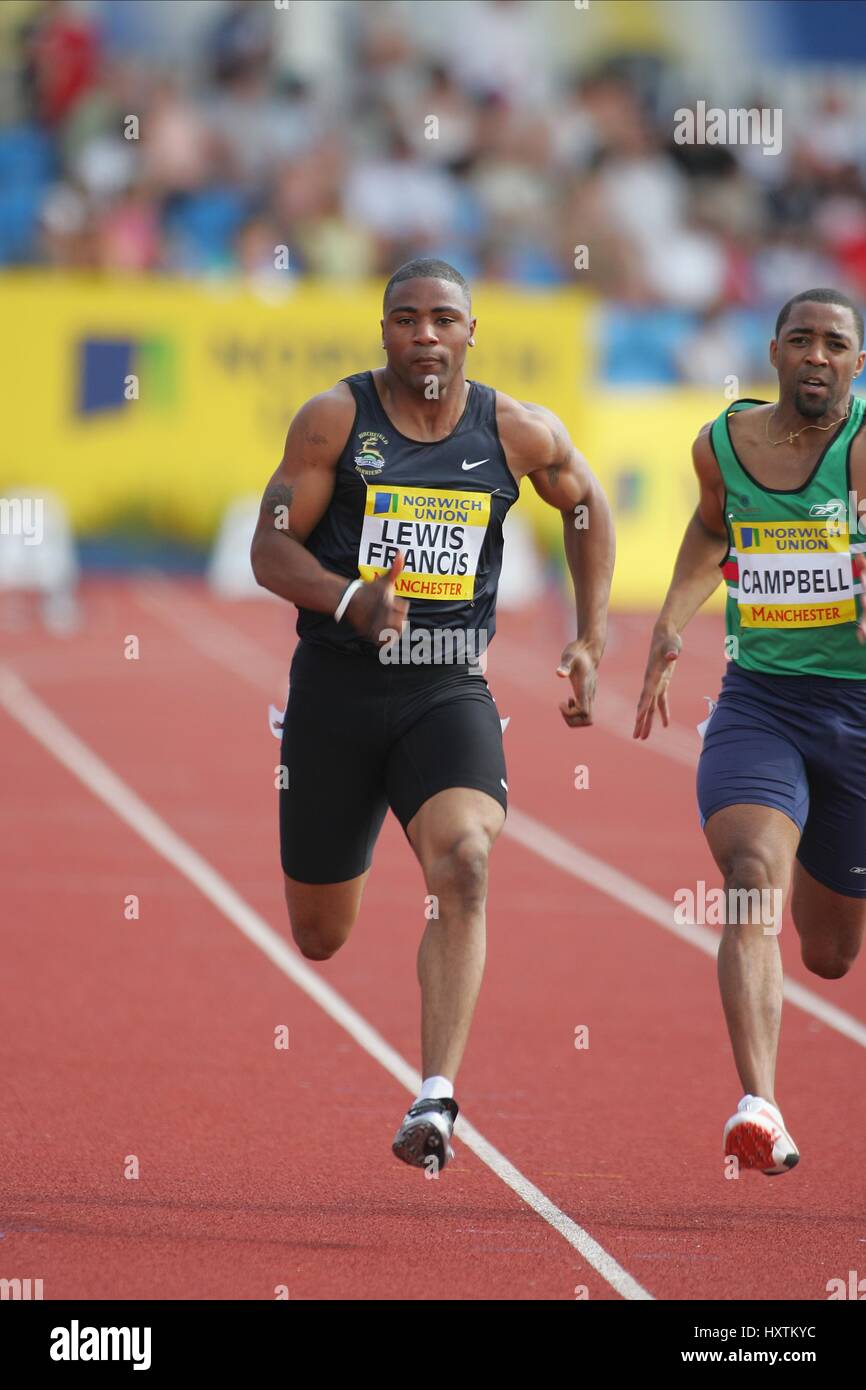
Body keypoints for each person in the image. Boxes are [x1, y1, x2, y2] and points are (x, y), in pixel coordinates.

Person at [251, 258, 614, 1171]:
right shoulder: (335, 420)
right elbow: (269, 548)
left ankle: (436, 1095)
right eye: (406, 318)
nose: (425, 334)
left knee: (467, 860)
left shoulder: (516, 430)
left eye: (443, 319)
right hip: (336, 685)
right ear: (383, 331)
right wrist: (350, 601)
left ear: (470, 333)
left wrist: (590, 634)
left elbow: (585, 504)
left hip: (445, 683)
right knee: (319, 936)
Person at [634, 288, 866, 1175]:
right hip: (761, 702)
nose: (817, 355)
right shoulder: (723, 443)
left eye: (835, 343)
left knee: (831, 954)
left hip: (857, 714)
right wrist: (669, 625)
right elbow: (709, 529)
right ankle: (760, 1104)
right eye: (801, 339)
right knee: (747, 879)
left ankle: (815, 842)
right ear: (773, 352)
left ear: (857, 363)